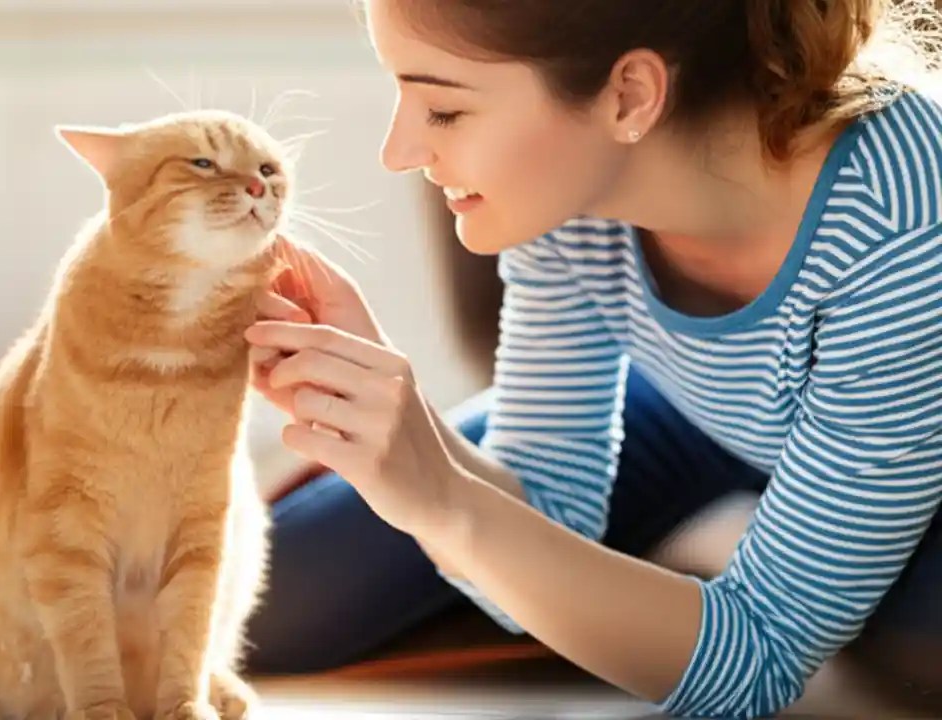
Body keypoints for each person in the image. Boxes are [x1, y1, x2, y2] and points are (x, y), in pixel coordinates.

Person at [238, 1, 942, 717]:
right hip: (700, 412)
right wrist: (397, 432)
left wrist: (443, 499)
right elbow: (544, 512)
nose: (398, 152)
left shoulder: (904, 229)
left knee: (913, 651)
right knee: (264, 604)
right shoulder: (568, 190)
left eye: (443, 110)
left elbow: (758, 662)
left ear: (630, 95)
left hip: (924, 460)